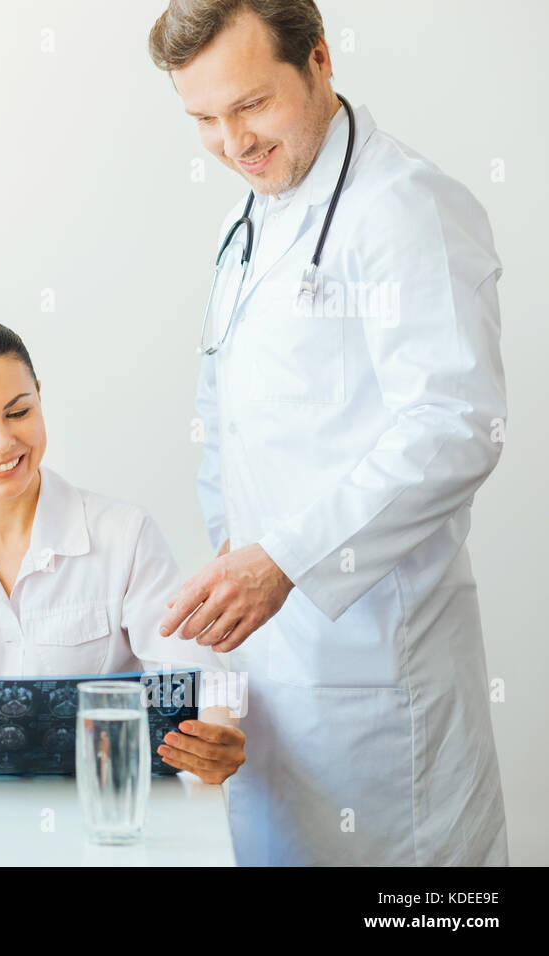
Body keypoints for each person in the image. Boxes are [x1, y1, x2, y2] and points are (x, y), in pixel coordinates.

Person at [147, 0, 507, 864]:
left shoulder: (405, 206)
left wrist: (283, 559)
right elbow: (234, 426)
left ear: (319, 61)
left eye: (252, 105)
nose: (234, 143)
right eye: (204, 119)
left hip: (381, 682)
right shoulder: (255, 223)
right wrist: (239, 558)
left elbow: (458, 424)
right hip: (274, 681)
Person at [0, 319, 246, 785]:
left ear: (39, 397)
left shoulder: (124, 535)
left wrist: (217, 728)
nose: (1, 441)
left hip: (108, 806)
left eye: (18, 412)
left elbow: (198, 679)